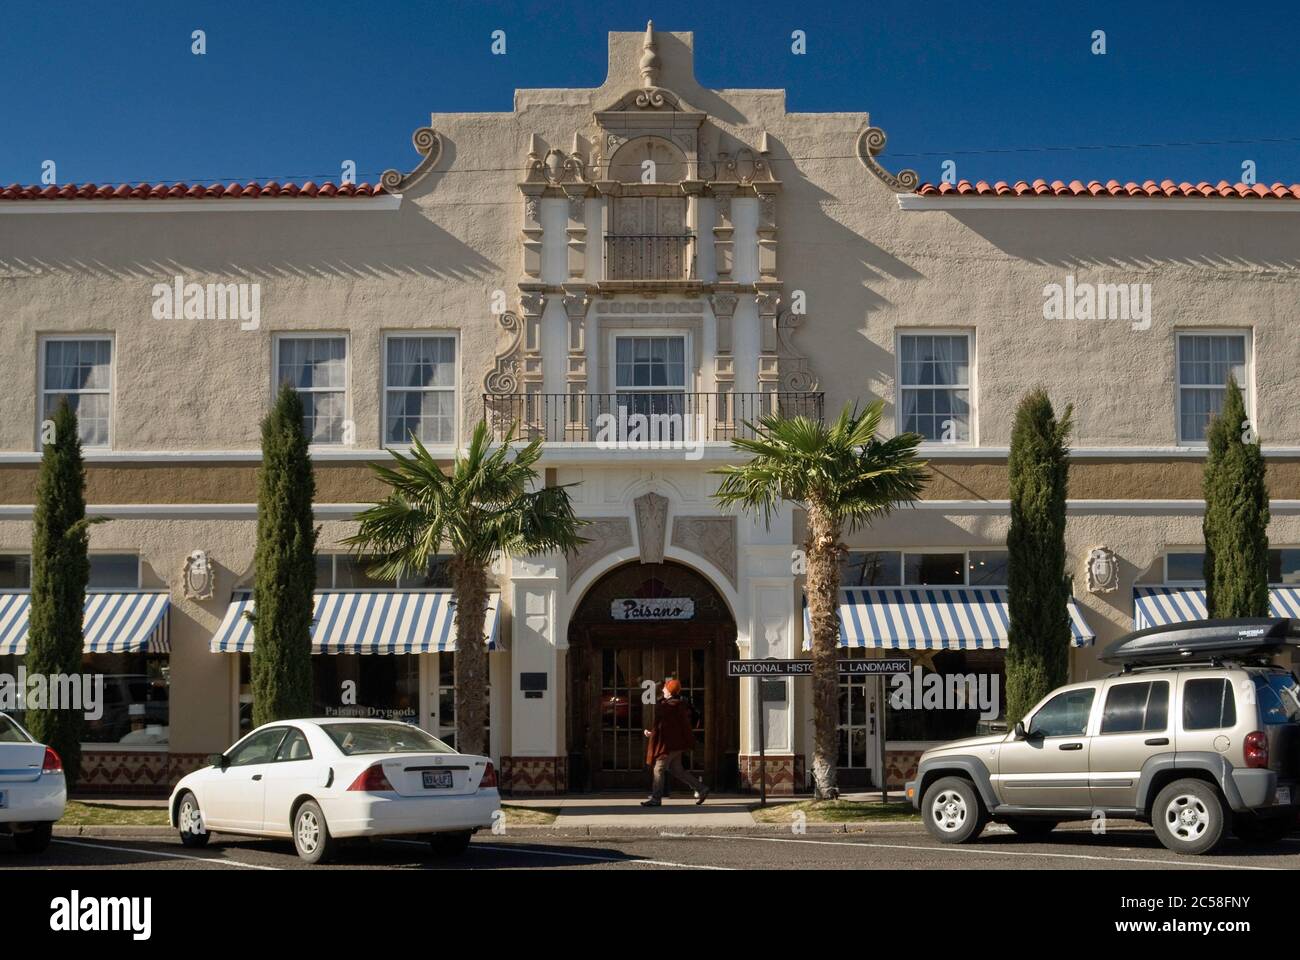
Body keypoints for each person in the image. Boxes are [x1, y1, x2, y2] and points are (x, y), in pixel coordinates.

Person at [641, 678, 709, 806]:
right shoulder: (678, 705)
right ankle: (701, 788)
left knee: (658, 769)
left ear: (669, 690)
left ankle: (656, 798)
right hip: (677, 744)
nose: (663, 689)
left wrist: (651, 734)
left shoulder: (667, 706)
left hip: (667, 745)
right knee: (677, 770)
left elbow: (663, 727)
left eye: (665, 688)